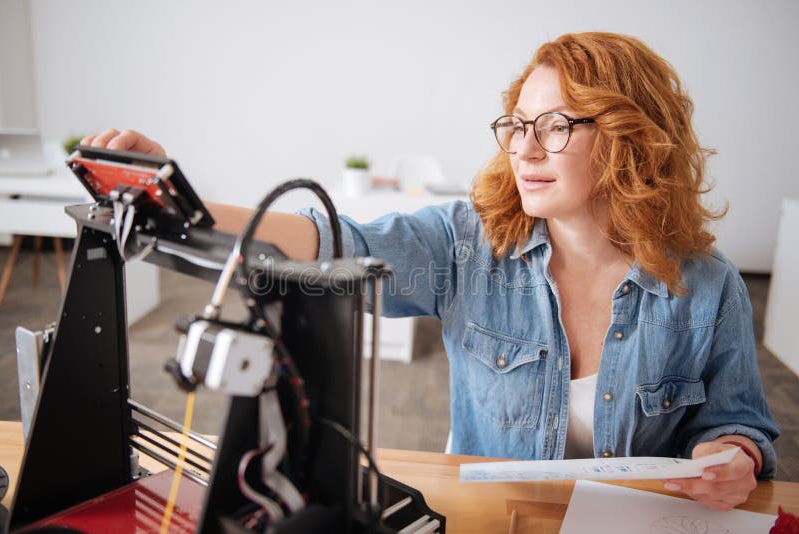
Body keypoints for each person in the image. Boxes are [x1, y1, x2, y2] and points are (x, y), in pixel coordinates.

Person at [82, 31, 778, 510]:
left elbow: (737, 422)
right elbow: (331, 240)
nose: (525, 148)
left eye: (558, 124)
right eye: (517, 124)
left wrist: (731, 455)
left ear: (632, 138)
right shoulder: (465, 243)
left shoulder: (708, 286)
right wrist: (183, 202)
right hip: (488, 514)